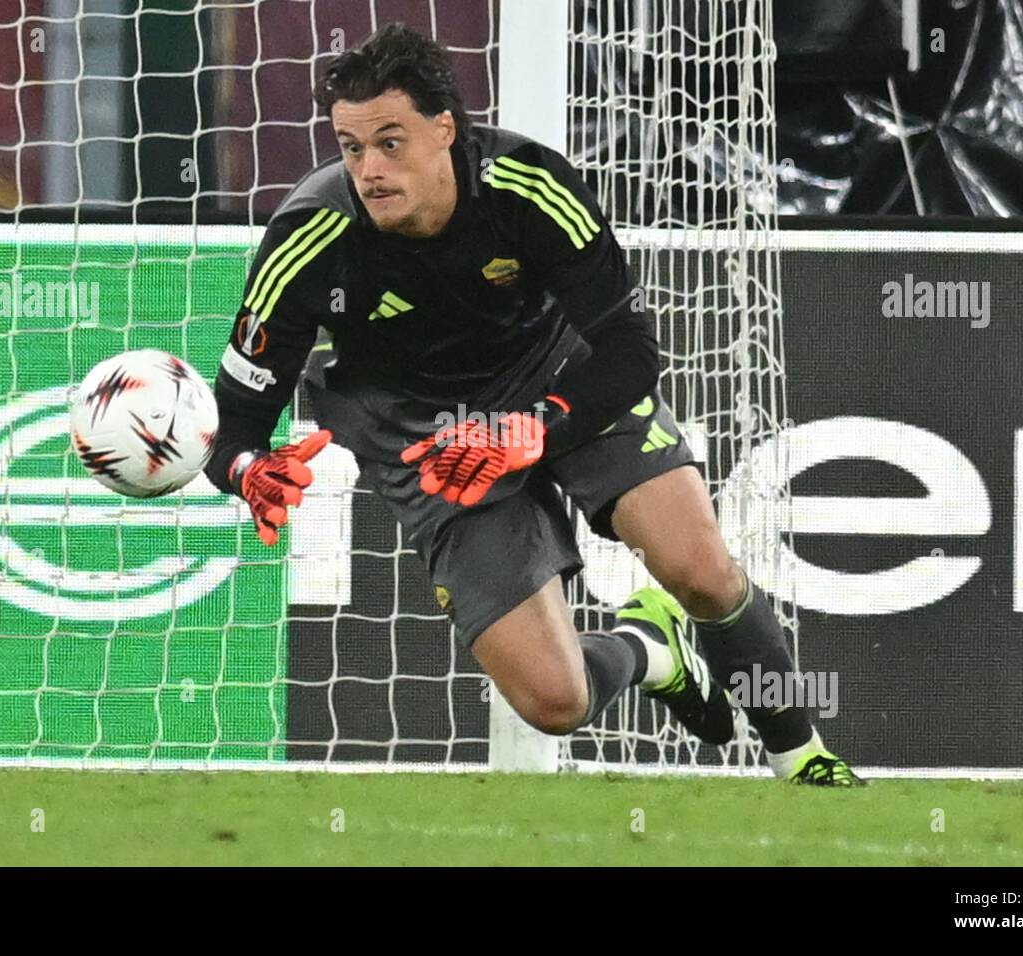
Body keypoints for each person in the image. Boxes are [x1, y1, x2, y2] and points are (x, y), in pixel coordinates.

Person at [206, 23, 862, 785]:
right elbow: (236, 426)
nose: (369, 170)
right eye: (351, 149)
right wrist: (248, 469)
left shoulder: (529, 185)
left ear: (445, 129)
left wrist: (532, 427)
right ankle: (649, 651)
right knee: (555, 702)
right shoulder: (310, 236)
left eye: (391, 143)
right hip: (423, 435)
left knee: (702, 570)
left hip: (554, 377)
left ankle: (803, 760)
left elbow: (631, 351)